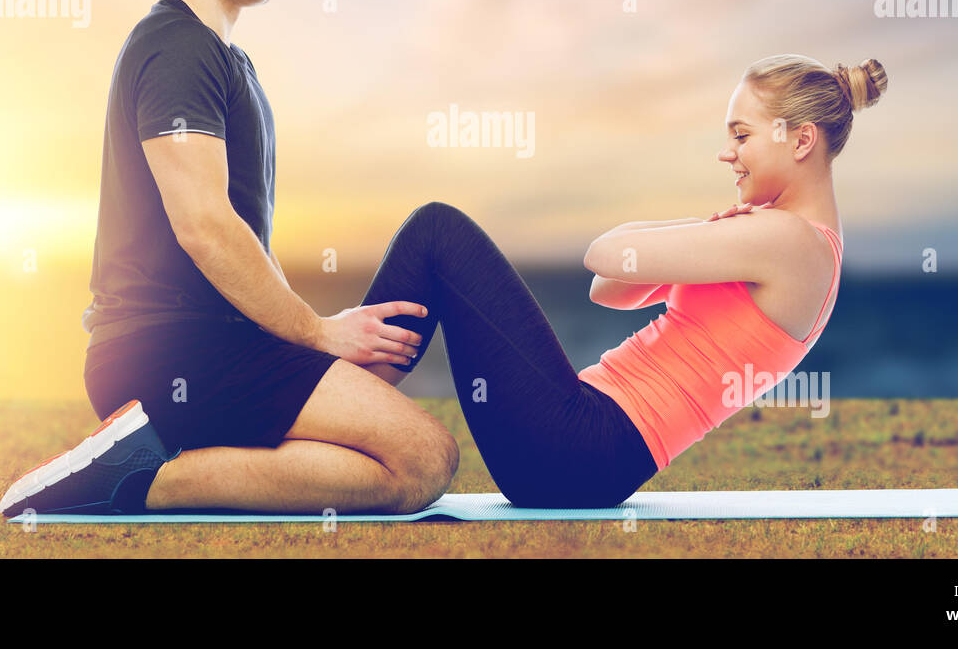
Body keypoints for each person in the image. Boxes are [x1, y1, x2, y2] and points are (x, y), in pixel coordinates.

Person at [0, 0, 455, 518]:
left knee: (424, 283)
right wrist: (314, 331)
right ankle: (135, 478)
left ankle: (158, 458)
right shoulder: (176, 47)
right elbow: (205, 227)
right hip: (168, 351)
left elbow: (242, 236)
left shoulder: (227, 61)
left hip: (217, 342)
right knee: (421, 459)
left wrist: (312, 331)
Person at [346, 55, 886, 507]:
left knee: (439, 231)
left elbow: (603, 252)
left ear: (801, 141)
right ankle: (341, 402)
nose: (727, 153)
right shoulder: (782, 241)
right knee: (439, 236)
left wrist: (705, 230)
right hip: (581, 447)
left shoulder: (790, 241)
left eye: (741, 135)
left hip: (578, 446)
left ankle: (332, 400)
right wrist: (709, 231)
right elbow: (608, 287)